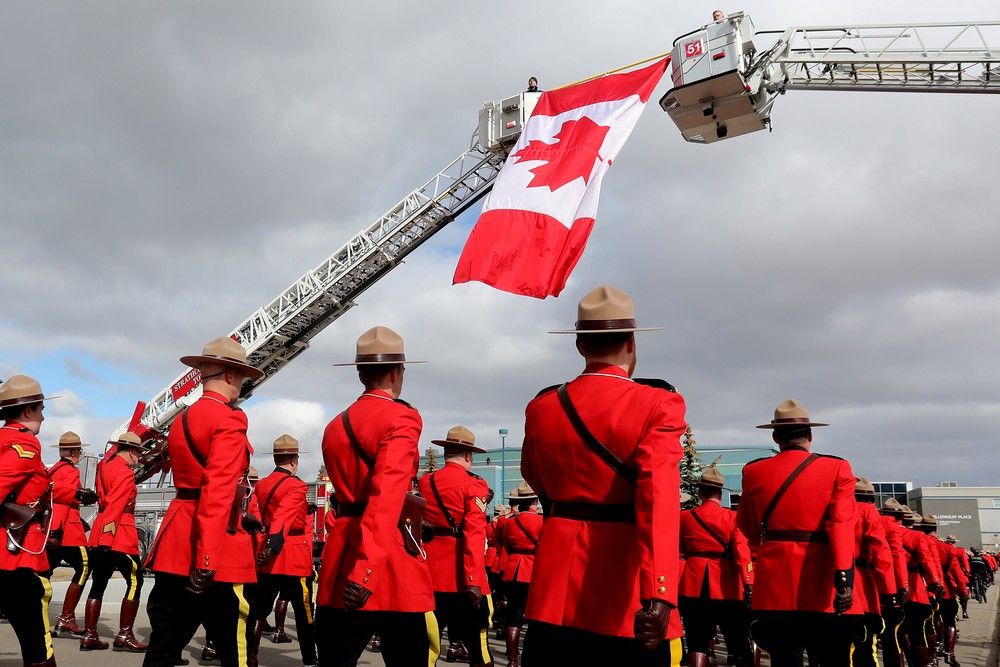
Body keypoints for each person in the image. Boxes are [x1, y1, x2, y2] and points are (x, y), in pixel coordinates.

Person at [520, 284, 687, 665]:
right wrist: (660, 591)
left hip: (554, 589)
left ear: (580, 344)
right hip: (625, 592)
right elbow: (658, 498)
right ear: (631, 342)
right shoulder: (658, 403)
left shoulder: (542, 406)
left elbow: (534, 473)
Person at [316, 326, 438, 666]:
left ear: (360, 373)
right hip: (386, 558)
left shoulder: (334, 425)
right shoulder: (402, 418)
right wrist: (366, 570)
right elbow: (386, 496)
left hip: (342, 549)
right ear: (398, 372)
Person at [143, 336, 263, 667]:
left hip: (177, 538)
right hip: (214, 541)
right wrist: (207, 557)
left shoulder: (182, 418)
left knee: (164, 645)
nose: (241, 383)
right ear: (230, 375)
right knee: (234, 649)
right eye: (241, 376)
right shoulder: (230, 418)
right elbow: (218, 489)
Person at [735, 399, 857, 666]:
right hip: (821, 581)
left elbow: (747, 529)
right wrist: (844, 579)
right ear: (810, 435)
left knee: (784, 658)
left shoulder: (754, 471)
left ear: (775, 437)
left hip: (774, 580)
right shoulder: (837, 468)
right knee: (829, 658)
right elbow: (841, 525)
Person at [418, 425, 493, 667]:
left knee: (428, 647)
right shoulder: (475, 485)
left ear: (446, 452)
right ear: (469, 456)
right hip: (463, 575)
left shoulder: (426, 482)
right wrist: (473, 579)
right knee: (479, 649)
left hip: (431, 574)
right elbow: (474, 534)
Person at [0, 374, 60, 666]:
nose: (43, 417)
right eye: (41, 409)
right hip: (15, 556)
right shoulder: (24, 443)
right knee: (37, 643)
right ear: (27, 411)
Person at [248, 434, 317, 667]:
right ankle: (310, 660)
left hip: (268, 556)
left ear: (275, 458)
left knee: (259, 610)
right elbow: (284, 516)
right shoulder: (297, 486)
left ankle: (251, 656)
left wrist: (266, 545)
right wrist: (273, 545)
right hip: (293, 554)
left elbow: (260, 517)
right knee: (304, 612)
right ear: (294, 460)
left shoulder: (262, 485)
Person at [677, 464, 754, 667]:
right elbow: (742, 553)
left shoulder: (684, 517)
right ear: (720, 494)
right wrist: (749, 581)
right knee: (737, 641)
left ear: (700, 493)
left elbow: (679, 553)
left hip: (693, 585)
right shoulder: (733, 518)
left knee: (697, 641)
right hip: (726, 585)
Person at [82, 431, 151, 652]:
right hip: (119, 533)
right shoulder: (125, 472)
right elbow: (116, 505)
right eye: (138, 453)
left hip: (101, 530)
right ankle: (124, 635)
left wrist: (101, 537)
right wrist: (108, 537)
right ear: (131, 452)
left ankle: (90, 634)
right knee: (135, 581)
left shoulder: (105, 466)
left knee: (99, 583)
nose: (139, 457)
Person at [47, 430, 98, 638]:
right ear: (75, 452)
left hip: (55, 528)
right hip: (67, 530)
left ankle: (42, 619)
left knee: (45, 573)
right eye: (79, 451)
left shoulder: (55, 469)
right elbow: (62, 500)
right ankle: (66, 617)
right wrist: (79, 494)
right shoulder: (70, 471)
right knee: (84, 567)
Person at [849, 478, 896, 667]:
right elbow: (881, 553)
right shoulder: (868, 511)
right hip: (862, 587)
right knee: (866, 650)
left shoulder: (830, 507)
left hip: (827, 585)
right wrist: (889, 592)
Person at [499, 483, 541, 667]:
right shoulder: (541, 521)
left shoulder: (509, 523)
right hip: (533, 569)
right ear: (534, 502)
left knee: (513, 616)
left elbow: (505, 546)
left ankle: (512, 660)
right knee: (536, 616)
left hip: (514, 569)